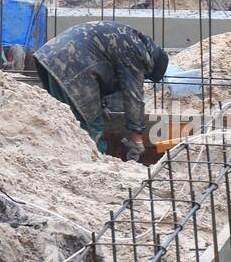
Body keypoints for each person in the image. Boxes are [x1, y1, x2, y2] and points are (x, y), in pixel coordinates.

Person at [34, 21, 169, 162]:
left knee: (66, 121)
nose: (143, 77)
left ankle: (67, 160)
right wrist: (137, 139)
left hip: (51, 57)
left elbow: (100, 62)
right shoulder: (136, 53)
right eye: (145, 76)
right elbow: (133, 97)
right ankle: (94, 165)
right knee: (92, 126)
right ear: (151, 65)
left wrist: (101, 104)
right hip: (71, 65)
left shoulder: (129, 38)